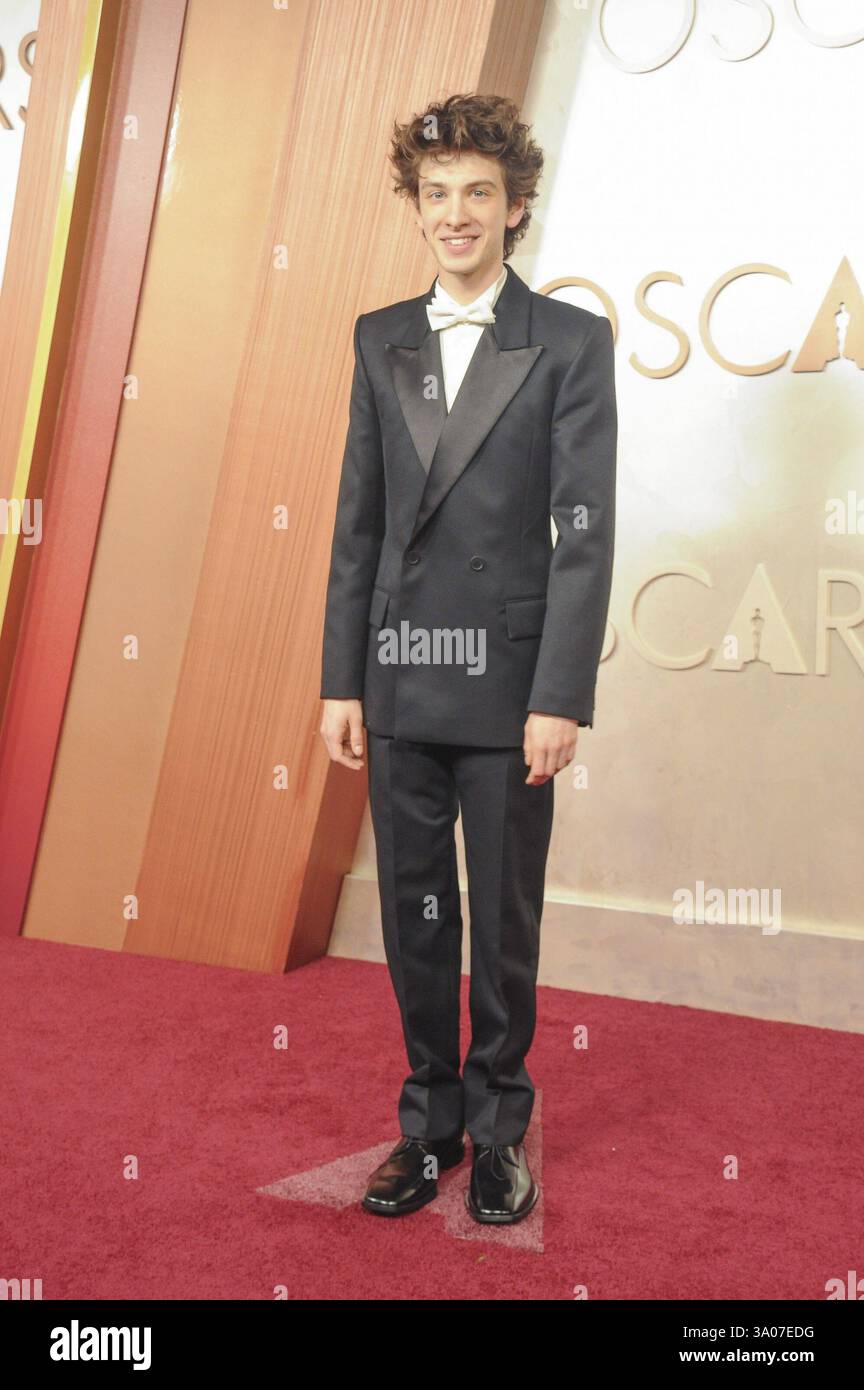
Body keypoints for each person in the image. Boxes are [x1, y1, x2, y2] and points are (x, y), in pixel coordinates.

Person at [319, 92, 617, 1224]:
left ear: (515, 207)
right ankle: (427, 1125)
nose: (456, 214)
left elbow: (585, 532)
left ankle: (498, 1132)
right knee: (414, 914)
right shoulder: (375, 334)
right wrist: (341, 677)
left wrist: (560, 696)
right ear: (417, 207)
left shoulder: (571, 343)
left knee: (501, 919)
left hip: (509, 683)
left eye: (477, 195)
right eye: (436, 195)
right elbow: (357, 520)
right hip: (397, 673)